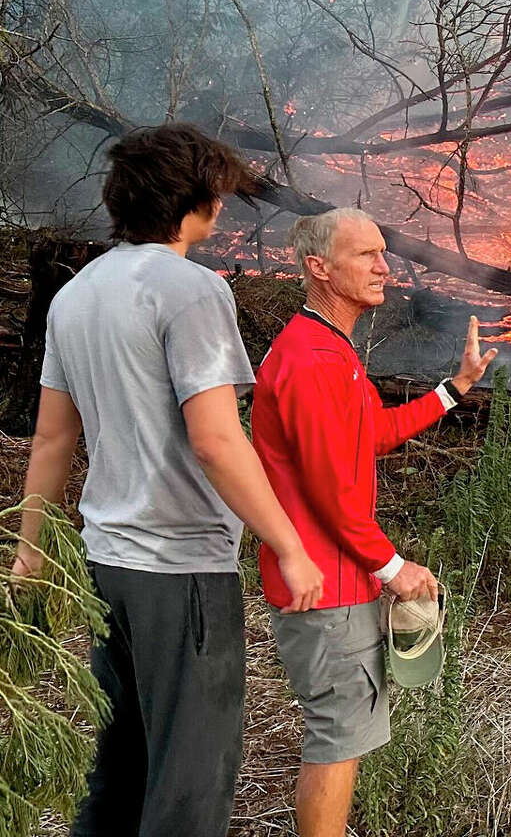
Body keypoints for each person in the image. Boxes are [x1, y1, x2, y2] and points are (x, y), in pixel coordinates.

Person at [9, 122, 327, 837]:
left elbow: (54, 436)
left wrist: (30, 545)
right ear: (195, 201)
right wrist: (288, 544)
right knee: (189, 781)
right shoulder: (192, 293)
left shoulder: (78, 293)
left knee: (121, 769)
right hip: (180, 568)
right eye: (216, 194)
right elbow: (217, 440)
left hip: (108, 566)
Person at [252, 206, 495, 837]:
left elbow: (372, 435)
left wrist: (457, 387)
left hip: (337, 579)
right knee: (336, 739)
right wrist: (393, 568)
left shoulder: (332, 349)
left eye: (383, 252)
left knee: (345, 734)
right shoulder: (311, 359)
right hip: (323, 584)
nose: (384, 266)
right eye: (366, 254)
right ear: (318, 268)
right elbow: (331, 491)